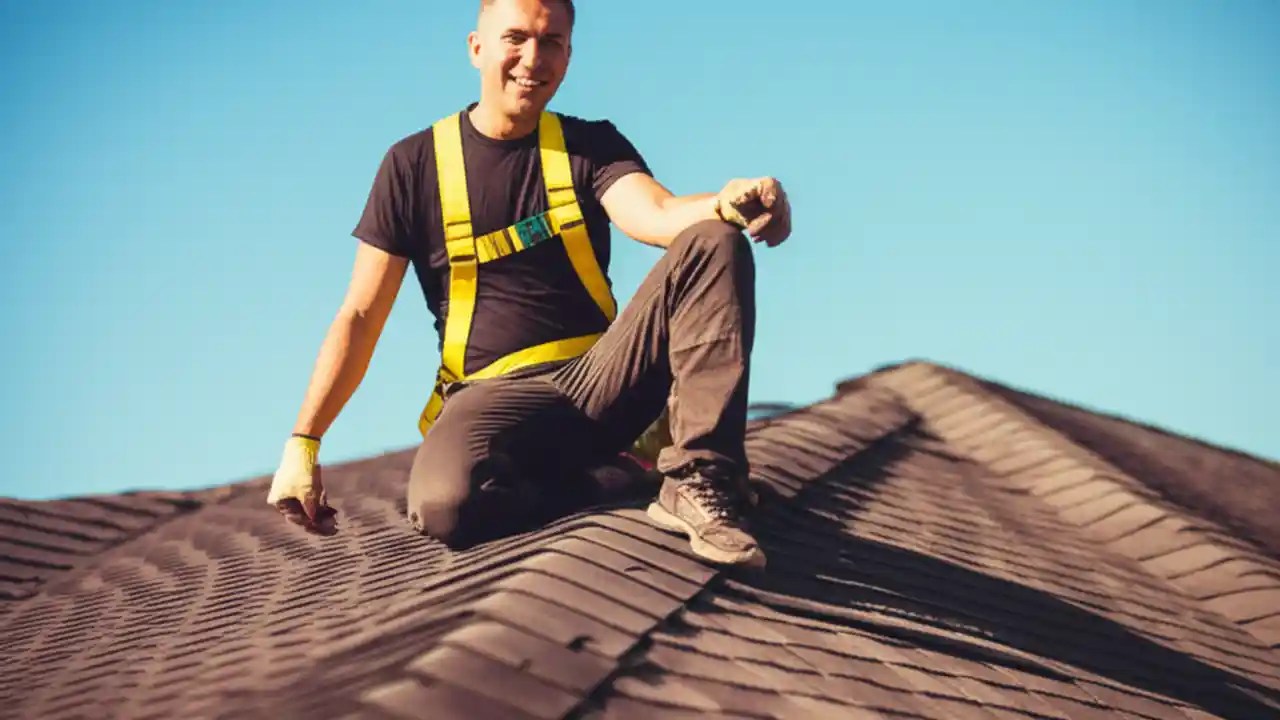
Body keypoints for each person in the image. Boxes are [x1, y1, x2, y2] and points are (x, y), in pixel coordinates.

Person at [266, 0, 792, 567]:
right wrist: (305, 441)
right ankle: (610, 483)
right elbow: (361, 316)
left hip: (602, 380)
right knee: (445, 507)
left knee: (713, 239)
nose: (532, 59)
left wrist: (726, 203)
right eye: (515, 38)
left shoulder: (591, 145)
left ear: (568, 56)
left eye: (552, 43)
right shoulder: (413, 165)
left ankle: (701, 480)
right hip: (495, 399)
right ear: (476, 48)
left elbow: (658, 214)